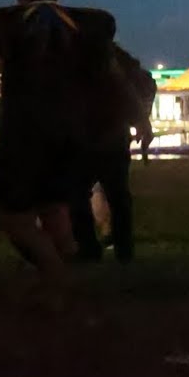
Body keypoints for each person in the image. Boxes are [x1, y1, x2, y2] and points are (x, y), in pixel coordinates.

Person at [0, 0, 126, 295]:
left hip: (26, 134)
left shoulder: (7, 23)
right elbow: (110, 76)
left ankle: (56, 277)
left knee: (14, 217)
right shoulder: (88, 26)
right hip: (74, 134)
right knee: (54, 209)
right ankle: (67, 284)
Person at [68, 44, 156, 263]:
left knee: (78, 193)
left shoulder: (78, 60)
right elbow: (141, 84)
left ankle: (90, 248)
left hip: (89, 137)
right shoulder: (113, 60)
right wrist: (140, 119)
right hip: (112, 136)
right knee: (117, 196)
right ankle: (123, 251)